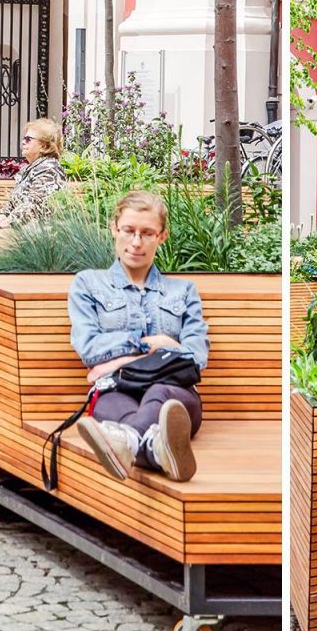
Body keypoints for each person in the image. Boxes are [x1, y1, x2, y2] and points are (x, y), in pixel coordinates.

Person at [70, 189, 208, 483]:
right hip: (115, 393)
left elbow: (197, 357)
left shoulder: (183, 291)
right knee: (112, 406)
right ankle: (157, 452)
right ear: (114, 229)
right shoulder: (88, 284)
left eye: (147, 233)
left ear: (162, 236)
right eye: (129, 231)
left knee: (161, 396)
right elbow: (88, 348)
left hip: (177, 399)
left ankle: (128, 443)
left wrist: (113, 363)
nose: (136, 242)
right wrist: (156, 346)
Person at [0, 118, 68, 241]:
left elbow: (32, 206)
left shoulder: (49, 169)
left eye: (28, 139)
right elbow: (10, 206)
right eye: (24, 138)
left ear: (44, 146)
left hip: (38, 234)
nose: (23, 142)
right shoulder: (29, 170)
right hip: (20, 228)